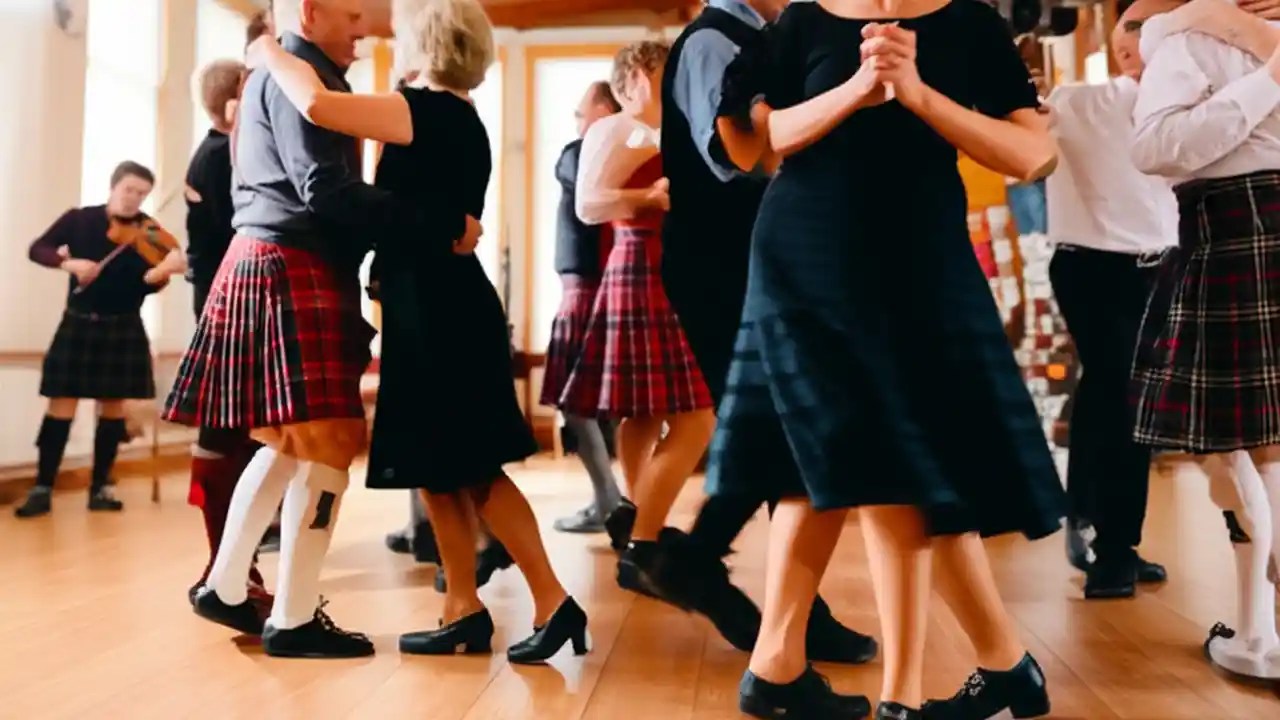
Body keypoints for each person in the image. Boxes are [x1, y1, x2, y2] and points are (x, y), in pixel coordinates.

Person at [711, 1, 1064, 717]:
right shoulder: (804, 22)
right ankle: (905, 690)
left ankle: (784, 668)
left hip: (919, 261)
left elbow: (1032, 155)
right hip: (806, 259)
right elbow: (768, 137)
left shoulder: (968, 23)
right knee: (861, 457)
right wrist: (859, 88)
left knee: (864, 461)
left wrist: (920, 94)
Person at [254, 0, 588, 664]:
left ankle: (553, 600)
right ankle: (461, 606)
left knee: (468, 464)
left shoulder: (425, 108)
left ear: (425, 41)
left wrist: (268, 53)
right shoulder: (454, 116)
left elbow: (317, 106)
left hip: (441, 306)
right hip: (430, 299)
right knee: (438, 467)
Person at [169, 0, 412, 659]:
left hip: (273, 258)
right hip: (290, 261)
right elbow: (324, 190)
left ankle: (226, 585)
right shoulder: (297, 77)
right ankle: (295, 618)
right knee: (330, 438)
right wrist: (426, 218)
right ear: (310, 10)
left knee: (287, 440)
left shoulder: (286, 73)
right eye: (355, 13)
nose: (365, 28)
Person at [651, 0, 877, 664]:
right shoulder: (714, 43)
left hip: (763, 260)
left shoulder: (766, 37)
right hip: (723, 263)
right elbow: (735, 161)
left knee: (786, 427)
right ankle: (717, 572)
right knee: (788, 425)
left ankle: (730, 578)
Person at [1128, 0, 1280, 681]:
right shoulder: (1187, 32)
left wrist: (1265, 72)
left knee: (1253, 441)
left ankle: (1258, 633)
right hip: (1236, 227)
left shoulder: (1185, 34)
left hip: (1240, 225)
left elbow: (1155, 149)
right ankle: (1257, 631)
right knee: (1253, 443)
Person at [558, 40, 719, 598]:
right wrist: (649, 194)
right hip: (641, 261)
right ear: (631, 80)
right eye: (658, 72)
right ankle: (644, 531)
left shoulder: (664, 129)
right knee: (697, 416)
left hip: (662, 264)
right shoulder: (621, 129)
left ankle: (638, 518)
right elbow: (589, 203)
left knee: (648, 413)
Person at [1042, 0, 1176, 598]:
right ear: (1121, 48)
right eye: (1137, 30)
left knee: (1120, 394)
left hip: (1165, 268)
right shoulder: (1077, 104)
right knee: (1123, 395)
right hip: (1091, 269)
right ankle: (1111, 546)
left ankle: (1098, 527)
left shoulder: (1197, 107)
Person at [15, 161, 186, 518]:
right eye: (129, 190)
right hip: (78, 324)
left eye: (141, 194)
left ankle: (101, 487)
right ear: (113, 187)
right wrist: (69, 265)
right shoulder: (79, 220)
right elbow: (38, 248)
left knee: (112, 410)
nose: (133, 199)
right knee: (60, 406)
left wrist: (163, 271)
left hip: (122, 325)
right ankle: (42, 487)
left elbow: (145, 283)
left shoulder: (149, 233)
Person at [182, 58, 280, 607]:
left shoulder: (218, 151)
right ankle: (228, 568)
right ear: (234, 105)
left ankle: (232, 565)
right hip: (229, 300)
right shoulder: (222, 156)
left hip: (221, 298)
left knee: (233, 433)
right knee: (224, 434)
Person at [541, 80, 625, 534]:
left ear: (605, 110)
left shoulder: (581, 152)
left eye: (581, 111)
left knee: (578, 404)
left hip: (584, 288)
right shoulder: (623, 151)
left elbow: (582, 188)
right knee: (587, 404)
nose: (577, 122)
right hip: (595, 284)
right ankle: (609, 498)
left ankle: (609, 500)